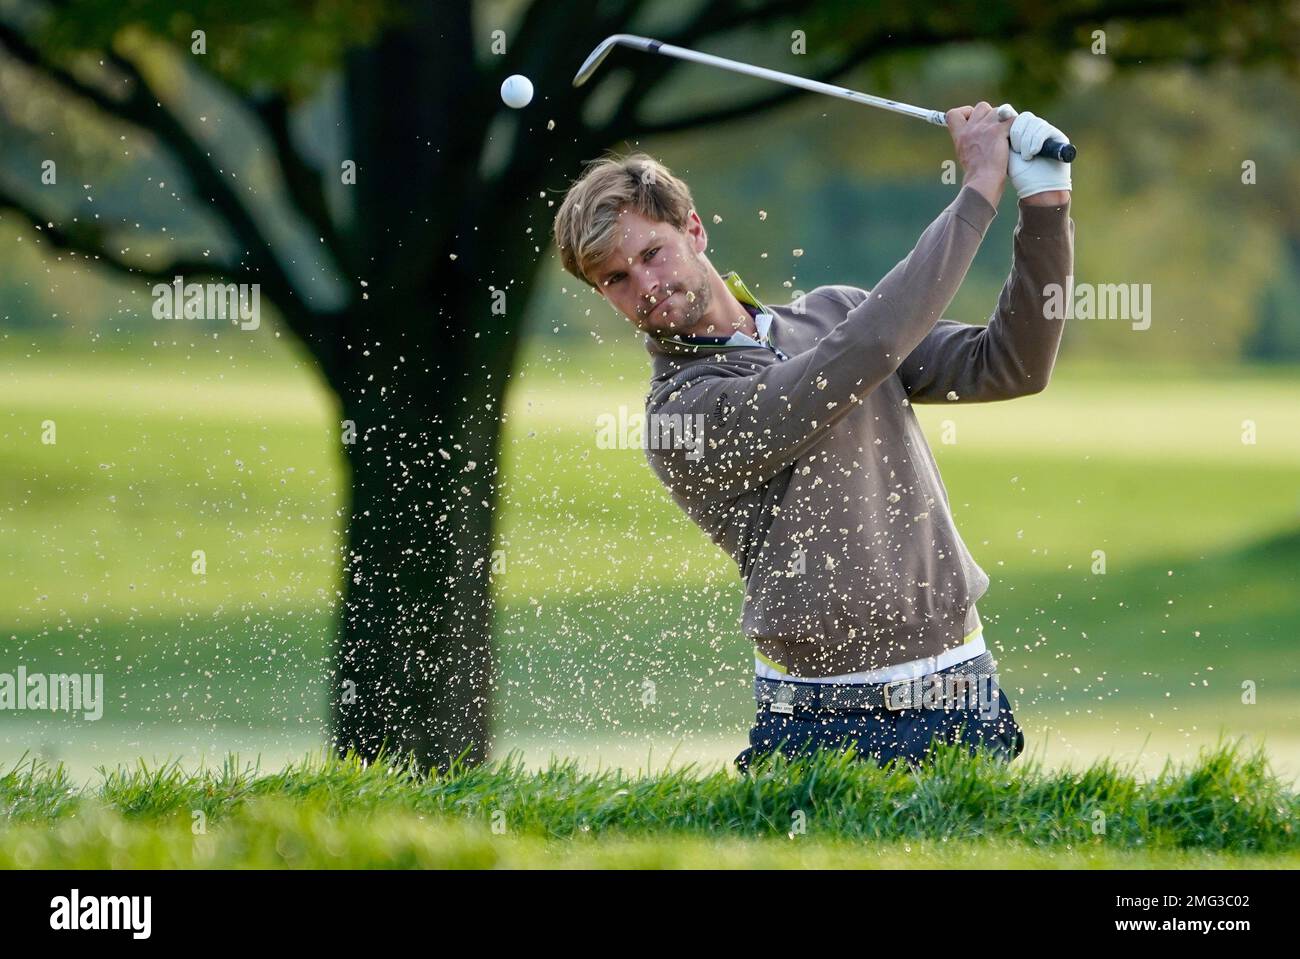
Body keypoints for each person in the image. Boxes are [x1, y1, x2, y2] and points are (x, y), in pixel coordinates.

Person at [551, 103, 1074, 773]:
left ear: (694, 229)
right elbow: (861, 354)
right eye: (615, 280)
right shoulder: (680, 413)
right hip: (824, 721)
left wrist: (1045, 208)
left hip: (962, 687)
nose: (645, 287)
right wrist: (978, 190)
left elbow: (1012, 365)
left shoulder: (832, 311)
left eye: (651, 254)